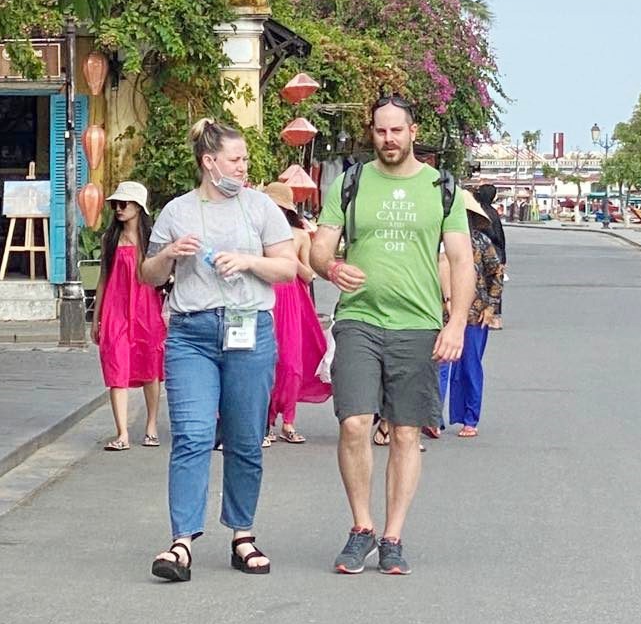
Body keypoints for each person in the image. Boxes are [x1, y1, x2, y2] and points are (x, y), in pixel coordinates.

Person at [309, 95, 473, 577]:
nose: (388, 140)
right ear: (372, 132)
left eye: (396, 131)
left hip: (418, 324)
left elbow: (461, 260)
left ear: (413, 131)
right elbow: (320, 249)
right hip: (359, 319)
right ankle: (361, 528)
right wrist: (332, 268)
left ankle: (393, 536)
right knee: (355, 423)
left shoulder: (441, 188)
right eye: (380, 132)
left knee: (405, 431)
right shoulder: (351, 182)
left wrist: (457, 322)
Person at [142, 118, 298, 582]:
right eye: (236, 159)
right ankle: (181, 541)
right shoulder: (177, 211)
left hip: (250, 330)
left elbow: (289, 269)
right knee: (191, 436)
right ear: (210, 163)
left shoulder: (262, 208)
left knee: (246, 438)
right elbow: (148, 275)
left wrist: (249, 261)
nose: (244, 167)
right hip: (193, 332)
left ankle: (242, 533)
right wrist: (169, 254)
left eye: (246, 158)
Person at [91, 181, 165, 452]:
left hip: (147, 307)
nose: (119, 209)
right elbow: (102, 279)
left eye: (124, 204)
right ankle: (122, 432)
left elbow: (163, 274)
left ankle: (151, 425)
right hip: (116, 308)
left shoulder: (152, 240)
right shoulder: (109, 239)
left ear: (138, 207)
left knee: (150, 366)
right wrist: (97, 317)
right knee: (116, 365)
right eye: (115, 204)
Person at [262, 181, 331, 447]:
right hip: (266, 296)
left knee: (292, 362)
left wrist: (289, 257)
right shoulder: (258, 233)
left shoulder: (300, 236)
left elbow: (309, 274)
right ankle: (265, 420)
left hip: (292, 299)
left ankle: (288, 420)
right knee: (267, 360)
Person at [437, 190, 504, 438]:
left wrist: (490, 307)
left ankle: (470, 418)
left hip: (475, 314)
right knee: (439, 365)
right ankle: (433, 417)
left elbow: (496, 274)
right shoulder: (437, 242)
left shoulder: (481, 243)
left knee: (470, 366)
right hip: (441, 312)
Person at [472, 183, 507, 330]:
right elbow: (499, 237)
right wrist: (503, 257)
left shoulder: (478, 212)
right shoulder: (492, 212)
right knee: (493, 286)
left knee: (481, 287)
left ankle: (485, 315)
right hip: (493, 252)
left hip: (481, 252)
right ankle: (494, 316)